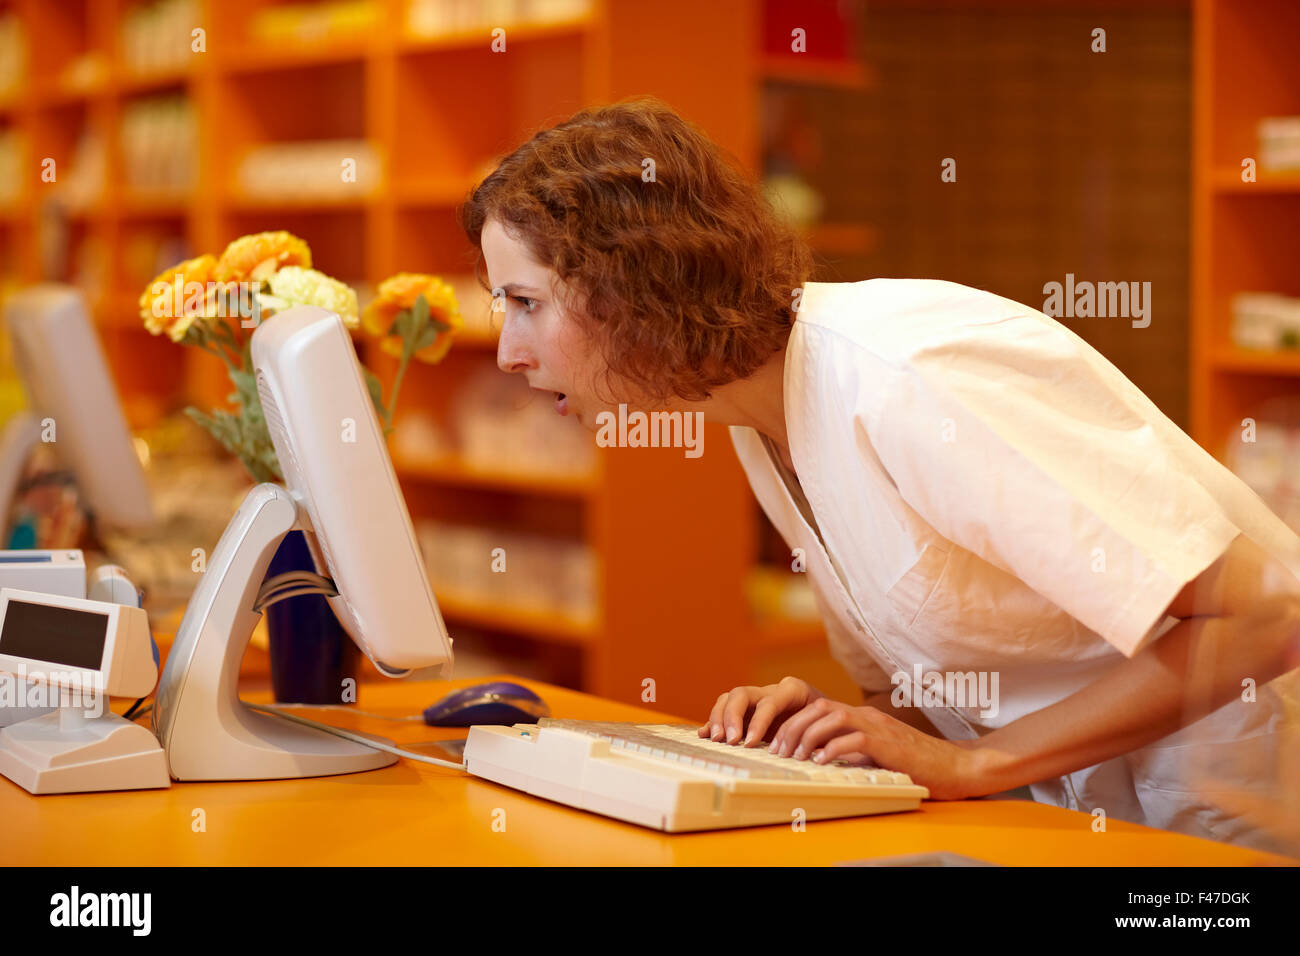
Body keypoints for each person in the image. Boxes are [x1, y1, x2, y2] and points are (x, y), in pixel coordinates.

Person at [459, 95, 1300, 854]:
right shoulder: (757, 414)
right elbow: (925, 685)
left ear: (634, 284)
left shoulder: (910, 377)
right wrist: (837, 725)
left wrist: (976, 762)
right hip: (1094, 827)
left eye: (525, 303)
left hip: (1240, 817)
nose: (508, 353)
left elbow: (1266, 616)